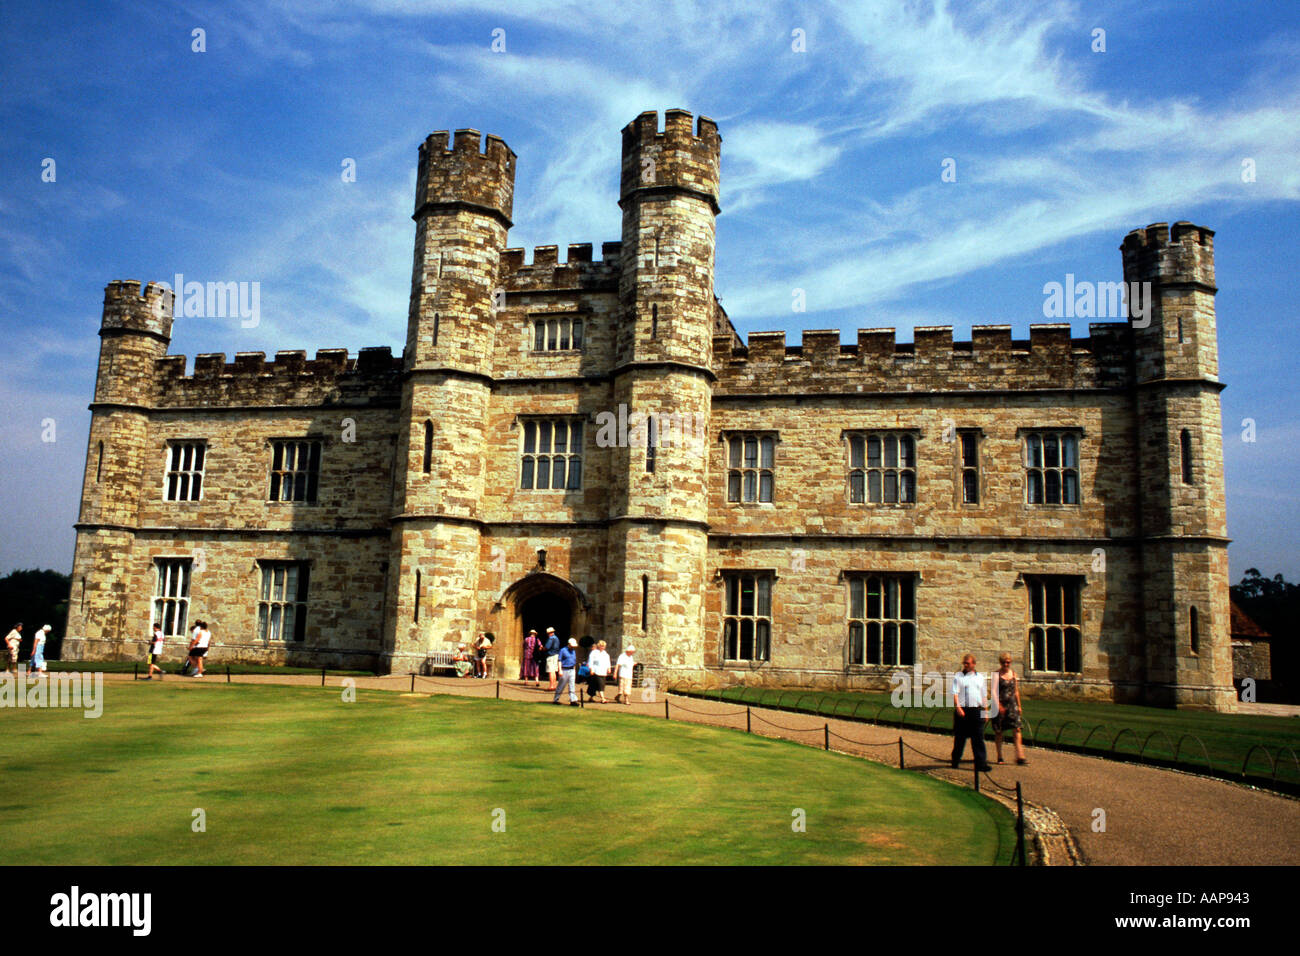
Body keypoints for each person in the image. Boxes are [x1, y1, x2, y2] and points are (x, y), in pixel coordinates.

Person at [951, 653, 992, 772]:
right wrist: (958, 707)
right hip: (963, 711)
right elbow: (955, 693)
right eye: (964, 663)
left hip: (976, 710)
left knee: (978, 738)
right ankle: (955, 760)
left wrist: (986, 711)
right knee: (960, 738)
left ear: (974, 664)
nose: (966, 665)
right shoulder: (959, 677)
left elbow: (983, 695)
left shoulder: (980, 677)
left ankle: (980, 763)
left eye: (968, 663)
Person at [992, 653, 1028, 765]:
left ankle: (1020, 755)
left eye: (1008, 662)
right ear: (1000, 663)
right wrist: (998, 706)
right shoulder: (996, 675)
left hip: (1012, 705)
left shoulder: (1013, 674)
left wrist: (1019, 706)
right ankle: (1000, 756)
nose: (1006, 664)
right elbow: (993, 692)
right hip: (1000, 705)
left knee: (1017, 729)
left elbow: (1016, 691)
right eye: (1004, 662)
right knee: (999, 731)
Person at [554, 637, 579, 706]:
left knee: (572, 685)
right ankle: (556, 699)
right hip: (564, 669)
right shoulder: (563, 650)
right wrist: (560, 670)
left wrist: (574, 670)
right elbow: (559, 660)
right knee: (561, 685)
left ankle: (573, 700)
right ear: (569, 644)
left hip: (572, 669)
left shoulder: (573, 651)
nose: (573, 647)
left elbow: (574, 660)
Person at [544, 626, 561, 692]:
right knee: (554, 671)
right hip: (556, 655)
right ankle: (554, 685)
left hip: (551, 655)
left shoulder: (551, 638)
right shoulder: (556, 638)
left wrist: (542, 648)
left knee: (551, 671)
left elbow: (547, 647)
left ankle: (551, 686)